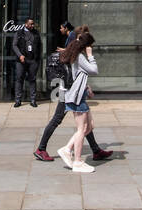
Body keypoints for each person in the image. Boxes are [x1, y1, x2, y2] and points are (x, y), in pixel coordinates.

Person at [34, 22, 112, 162]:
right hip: (69, 91)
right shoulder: (75, 45)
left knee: (84, 123)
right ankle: (41, 148)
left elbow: (75, 72)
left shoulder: (73, 43)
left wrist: (86, 86)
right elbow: (76, 70)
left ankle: (95, 150)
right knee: (60, 119)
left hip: (70, 88)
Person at [57, 27, 98, 173]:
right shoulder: (80, 57)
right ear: (86, 46)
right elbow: (94, 70)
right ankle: (78, 162)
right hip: (76, 97)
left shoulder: (76, 55)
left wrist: (87, 87)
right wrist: (90, 55)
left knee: (89, 126)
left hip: (78, 94)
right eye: (90, 46)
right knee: (82, 129)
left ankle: (67, 149)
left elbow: (79, 75)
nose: (91, 48)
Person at [13, 18, 40, 107]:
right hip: (21, 60)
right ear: (26, 24)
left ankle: (33, 100)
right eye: (31, 24)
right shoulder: (19, 33)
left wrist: (37, 58)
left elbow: (40, 45)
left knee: (32, 79)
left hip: (33, 60)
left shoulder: (36, 33)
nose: (32, 25)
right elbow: (14, 45)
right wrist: (20, 55)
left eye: (33, 24)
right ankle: (18, 100)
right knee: (19, 79)